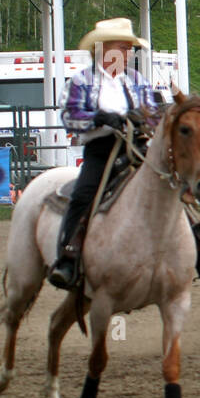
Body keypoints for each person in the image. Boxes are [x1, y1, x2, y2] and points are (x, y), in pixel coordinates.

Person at [48, 19, 161, 288]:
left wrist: (143, 118)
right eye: (123, 48)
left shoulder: (137, 81)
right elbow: (68, 116)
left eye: (129, 49)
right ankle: (68, 257)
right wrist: (98, 118)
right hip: (101, 151)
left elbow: (154, 116)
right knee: (83, 196)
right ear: (104, 49)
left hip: (137, 148)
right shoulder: (81, 81)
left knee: (172, 186)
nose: (128, 54)